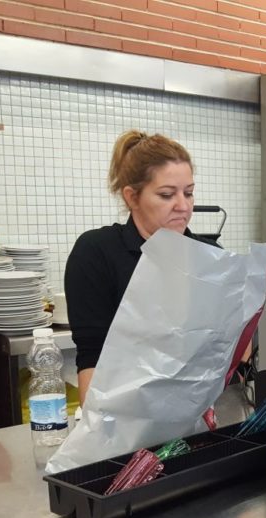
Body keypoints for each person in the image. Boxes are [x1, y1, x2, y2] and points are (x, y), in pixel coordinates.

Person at [65, 130, 212, 405]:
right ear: (132, 197)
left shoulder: (210, 257)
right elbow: (93, 356)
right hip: (126, 411)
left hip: (200, 410)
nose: (183, 206)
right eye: (167, 195)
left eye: (189, 193)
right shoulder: (97, 253)